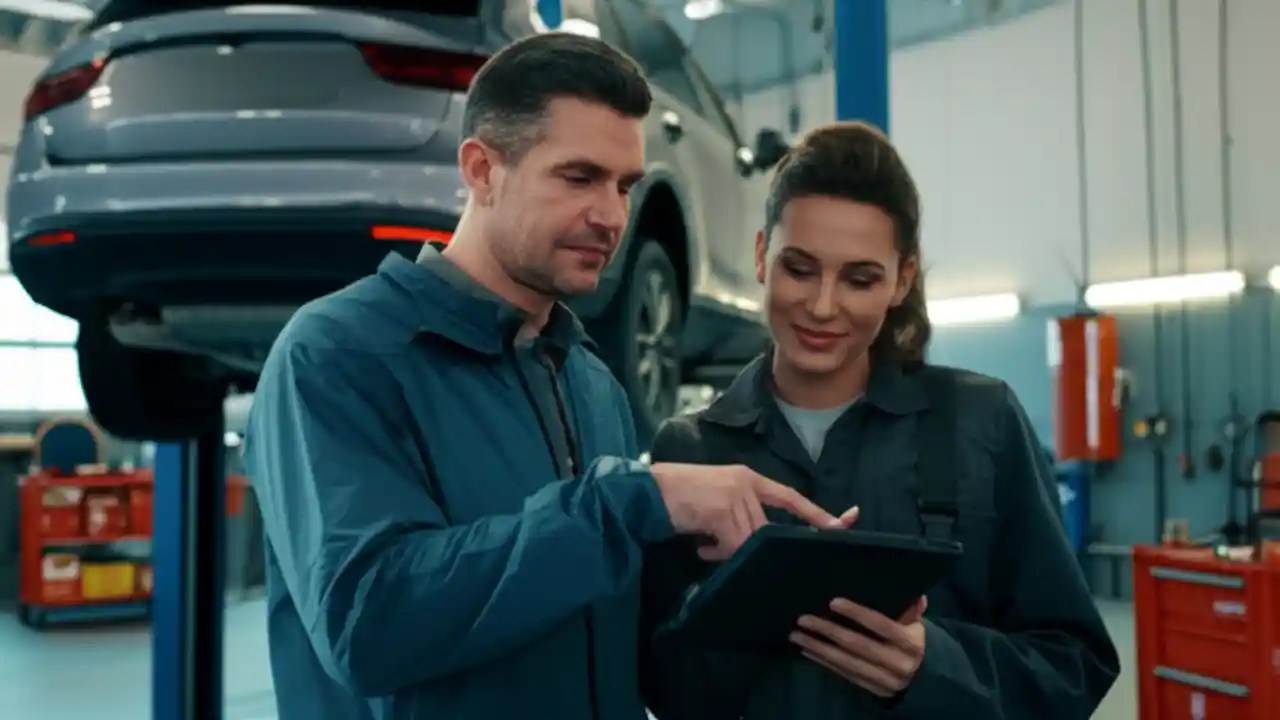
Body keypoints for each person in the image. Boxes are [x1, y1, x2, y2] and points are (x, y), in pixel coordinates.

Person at [241, 31, 849, 720]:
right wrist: (628, 505)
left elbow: (594, 622)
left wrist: (770, 594)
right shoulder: (338, 356)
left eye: (625, 186)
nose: (612, 216)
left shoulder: (591, 383)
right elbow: (367, 623)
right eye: (579, 177)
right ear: (481, 170)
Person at [639, 122, 1121, 719]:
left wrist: (934, 665)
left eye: (860, 278)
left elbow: (1076, 663)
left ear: (903, 279)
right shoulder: (691, 453)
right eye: (800, 268)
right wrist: (721, 601)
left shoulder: (981, 425)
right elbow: (656, 681)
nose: (821, 305)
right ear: (763, 256)